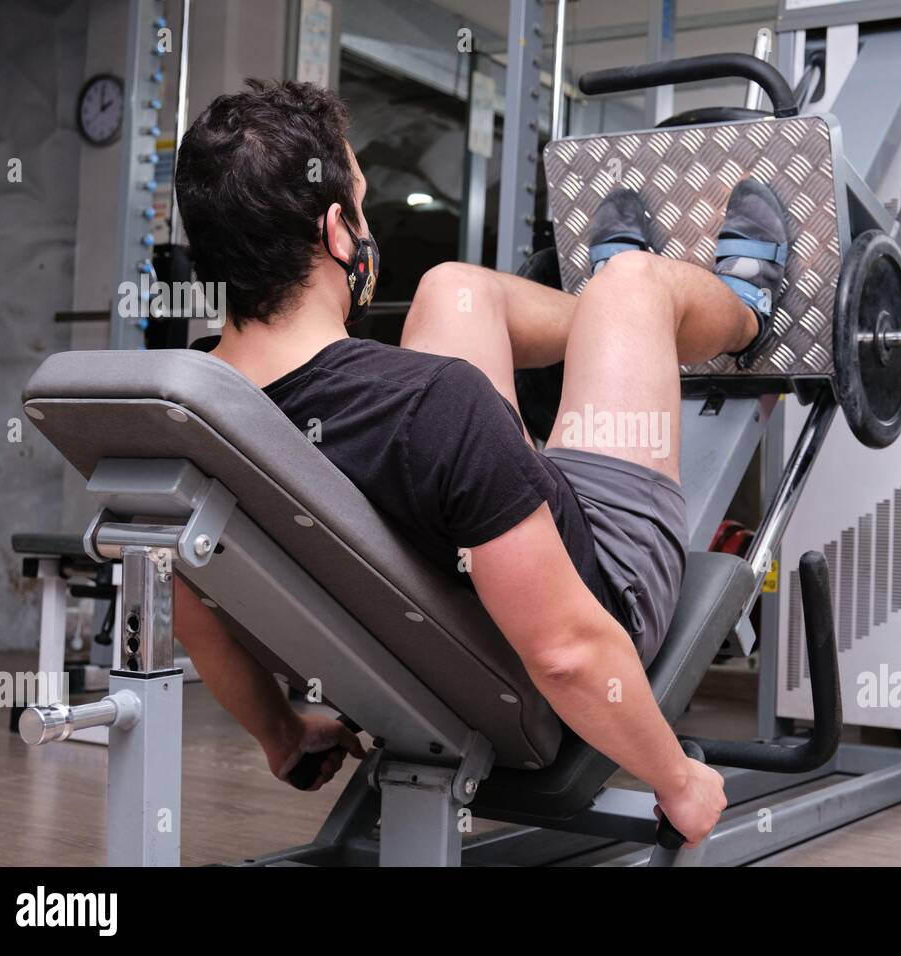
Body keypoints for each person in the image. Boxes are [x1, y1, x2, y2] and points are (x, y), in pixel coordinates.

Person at [169, 81, 792, 845]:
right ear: (337, 233)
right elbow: (566, 653)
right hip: (588, 605)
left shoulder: (199, 412)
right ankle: (737, 309)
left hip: (439, 636)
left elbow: (195, 613)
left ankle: (608, 312)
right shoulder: (433, 405)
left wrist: (284, 735)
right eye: (361, 205)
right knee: (638, 286)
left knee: (454, 288)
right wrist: (679, 779)